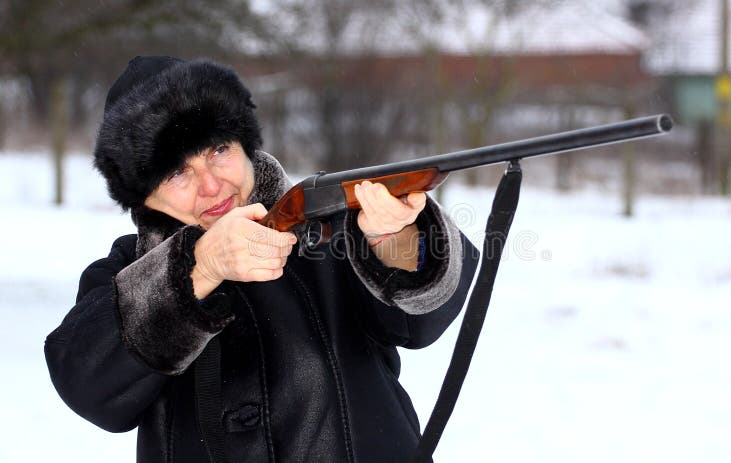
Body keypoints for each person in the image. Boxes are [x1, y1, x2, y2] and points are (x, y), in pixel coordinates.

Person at [44, 56, 478, 462]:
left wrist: (395, 236)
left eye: (218, 151)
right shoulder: (127, 270)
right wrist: (199, 269)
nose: (211, 186)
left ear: (244, 144)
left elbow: (420, 322)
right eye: (177, 173)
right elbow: (87, 386)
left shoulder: (328, 222)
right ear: (144, 194)